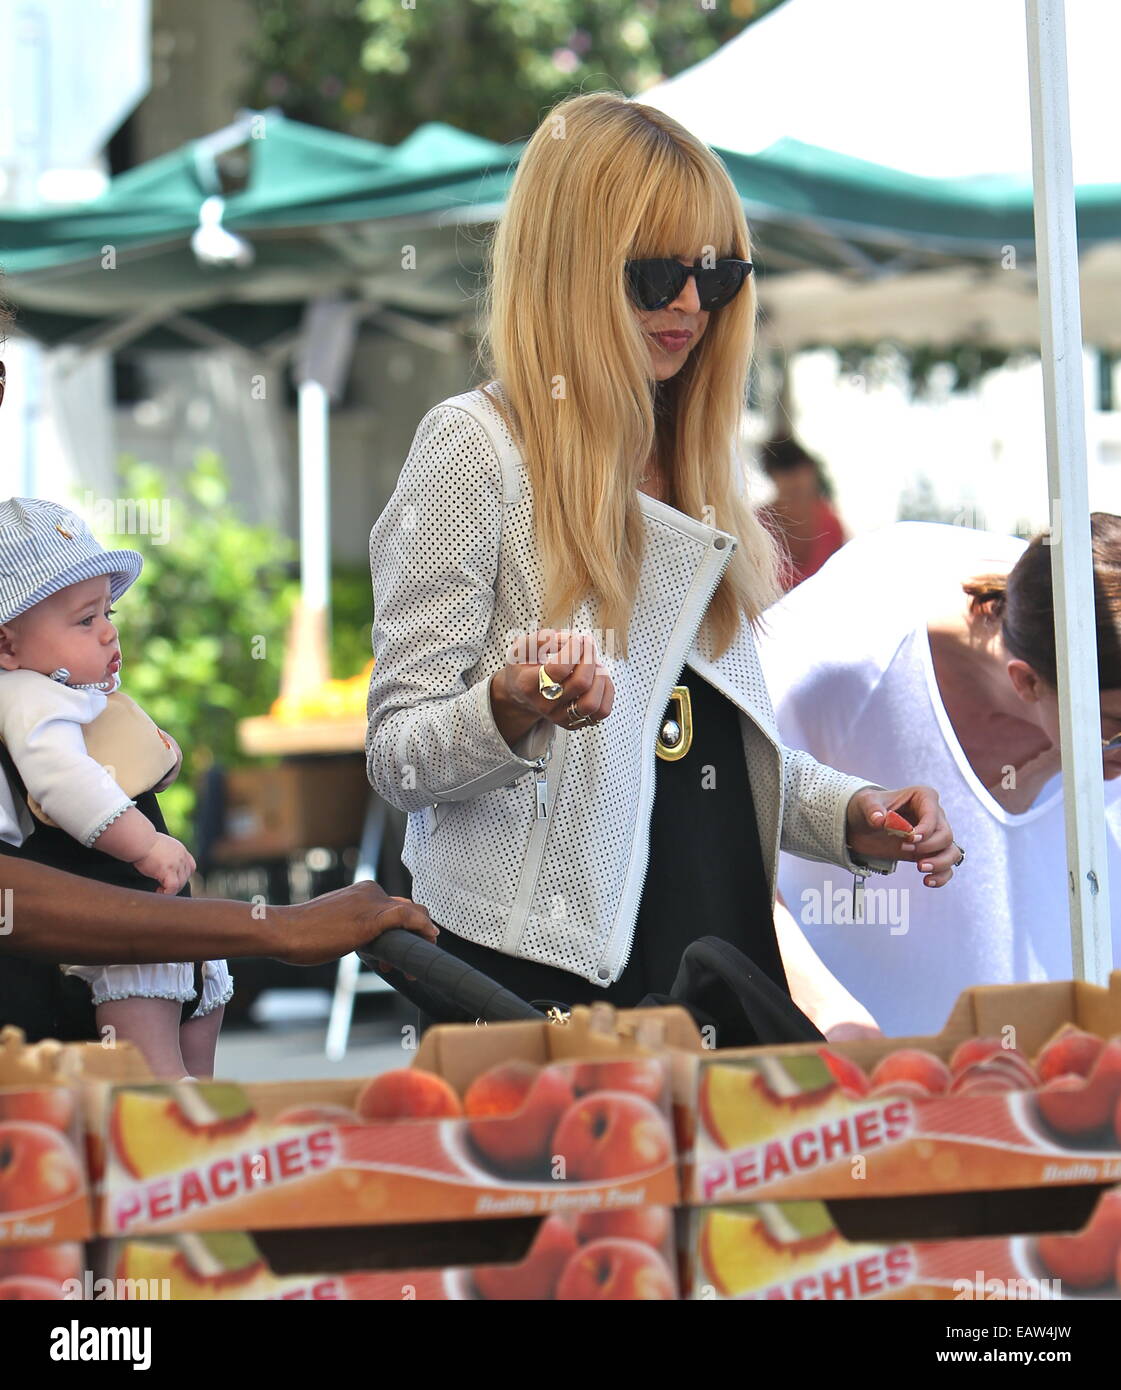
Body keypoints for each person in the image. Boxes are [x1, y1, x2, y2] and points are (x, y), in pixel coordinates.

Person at [366, 91, 960, 1034]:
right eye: (654, 276)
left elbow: (698, 743)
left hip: (711, 941)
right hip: (543, 970)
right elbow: (398, 756)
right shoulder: (471, 449)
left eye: (715, 276)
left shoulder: (692, 460)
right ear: (568, 272)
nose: (688, 305)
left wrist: (853, 813)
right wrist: (511, 707)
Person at [755, 516, 1121, 1037]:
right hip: (858, 1088)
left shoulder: (1088, 616)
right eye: (1114, 728)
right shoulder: (837, 651)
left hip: (1076, 1094)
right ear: (1027, 681)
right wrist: (827, 1013)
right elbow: (717, 834)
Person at [0, 497, 233, 1078]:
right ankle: (180, 1112)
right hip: (114, 912)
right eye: (85, 620)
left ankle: (194, 1104)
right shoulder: (28, 698)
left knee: (197, 1006)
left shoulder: (68, 692)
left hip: (143, 908)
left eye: (108, 612)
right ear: (7, 646)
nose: (107, 632)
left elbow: (122, 756)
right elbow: (65, 783)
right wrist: (145, 845)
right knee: (153, 1069)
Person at [757, 434, 846, 587]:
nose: (797, 483)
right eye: (788, 475)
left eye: (801, 474)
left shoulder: (829, 524)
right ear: (773, 477)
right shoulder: (759, 525)